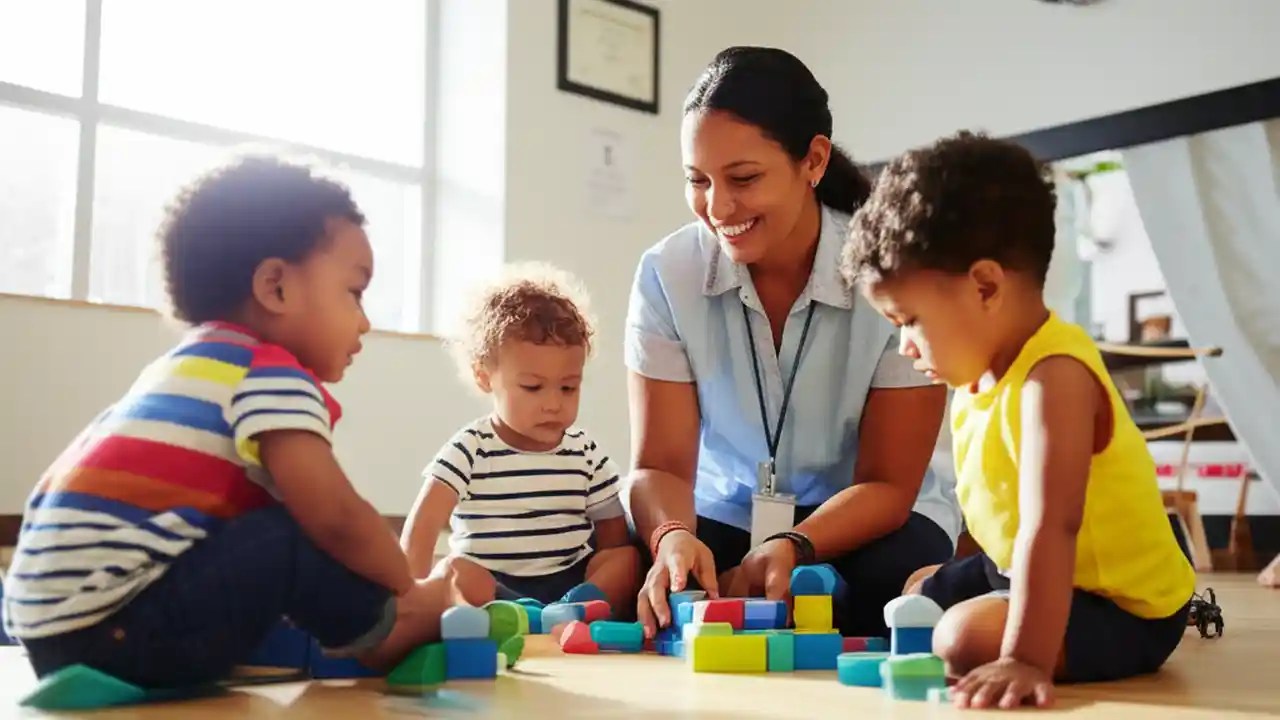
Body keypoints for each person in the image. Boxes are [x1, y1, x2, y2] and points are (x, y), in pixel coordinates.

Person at [1, 157, 483, 688]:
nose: (365, 321)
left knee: (266, 529)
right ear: (275, 287)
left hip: (50, 638)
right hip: (117, 634)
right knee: (284, 533)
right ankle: (393, 627)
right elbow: (335, 516)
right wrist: (404, 583)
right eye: (354, 292)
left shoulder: (188, 368)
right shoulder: (265, 370)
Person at [843, 131, 1196, 710]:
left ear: (985, 286)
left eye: (909, 321)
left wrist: (1024, 659)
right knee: (913, 590)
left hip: (1121, 605)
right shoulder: (979, 370)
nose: (904, 345)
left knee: (958, 636)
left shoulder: (1053, 377)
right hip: (1017, 568)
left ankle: (1020, 637)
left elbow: (1049, 527)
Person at [624, 46, 961, 640]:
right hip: (727, 511)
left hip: (870, 516)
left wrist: (792, 545)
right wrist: (671, 536)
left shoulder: (892, 272)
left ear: (814, 160)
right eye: (697, 181)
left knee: (875, 594)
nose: (718, 208)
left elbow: (887, 484)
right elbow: (658, 466)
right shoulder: (666, 273)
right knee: (640, 572)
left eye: (744, 178)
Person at [401, 264, 641, 612]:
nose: (553, 404)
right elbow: (422, 527)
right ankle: (523, 615)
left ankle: (570, 611)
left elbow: (612, 533)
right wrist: (409, 599)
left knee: (626, 560)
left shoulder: (585, 453)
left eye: (568, 387)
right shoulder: (470, 448)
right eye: (533, 387)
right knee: (454, 571)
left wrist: (607, 582)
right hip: (495, 584)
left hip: (569, 582)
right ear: (485, 378)